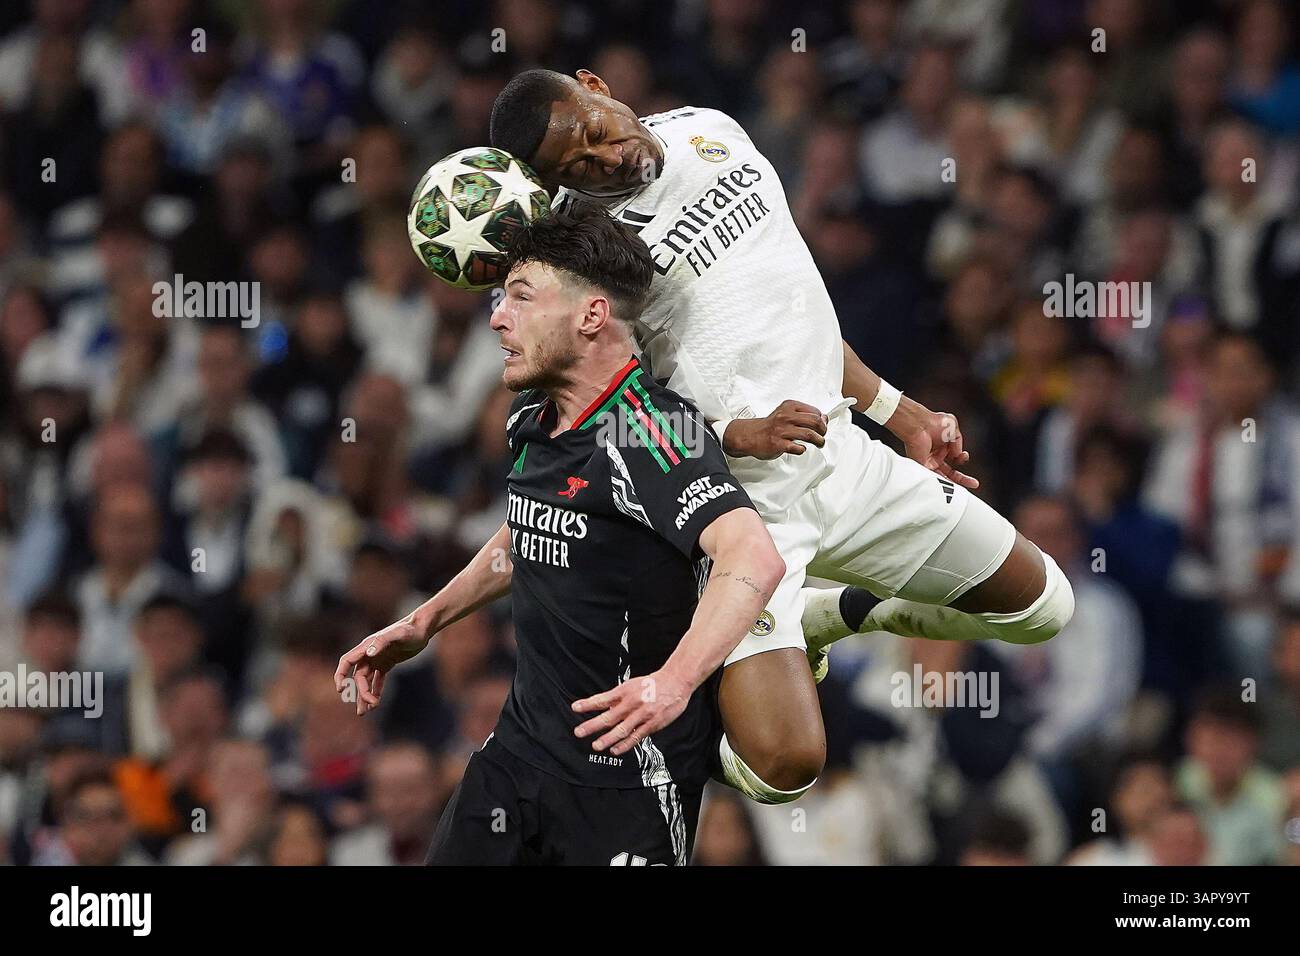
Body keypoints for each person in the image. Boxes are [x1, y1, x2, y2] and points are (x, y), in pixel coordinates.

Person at [483, 68, 1075, 805]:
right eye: (574, 167)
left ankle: (838, 615)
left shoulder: (711, 127)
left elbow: (795, 306)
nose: (603, 159)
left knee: (1045, 608)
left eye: (596, 131)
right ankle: (738, 680)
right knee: (783, 771)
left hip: (845, 455)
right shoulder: (583, 253)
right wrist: (738, 430)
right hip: (743, 509)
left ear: (597, 86)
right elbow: (604, 414)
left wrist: (902, 413)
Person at [334, 201, 784, 866]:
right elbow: (526, 534)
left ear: (591, 315)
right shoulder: (529, 420)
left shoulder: (652, 428)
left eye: (520, 297)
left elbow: (751, 555)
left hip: (627, 780)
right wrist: (424, 624)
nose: (496, 318)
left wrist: (675, 682)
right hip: (518, 756)